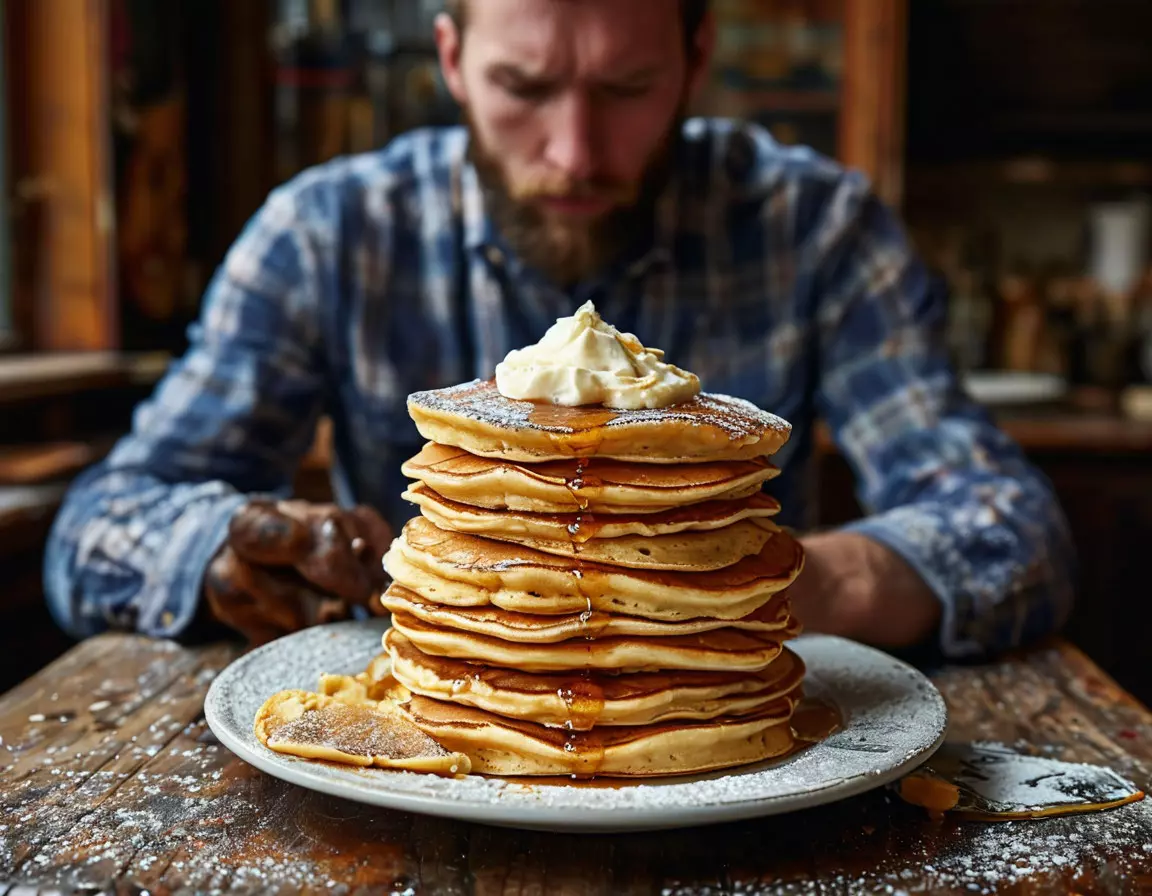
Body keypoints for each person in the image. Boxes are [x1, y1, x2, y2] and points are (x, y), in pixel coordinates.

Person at [45, 0, 1074, 658]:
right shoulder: (328, 233)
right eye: (523, 87)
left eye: (627, 89)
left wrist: (745, 586)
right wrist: (237, 558)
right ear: (451, 58)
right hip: (444, 737)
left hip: (723, 745)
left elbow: (1008, 527)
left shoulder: (814, 227)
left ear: (696, 55)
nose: (575, 151)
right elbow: (103, 524)